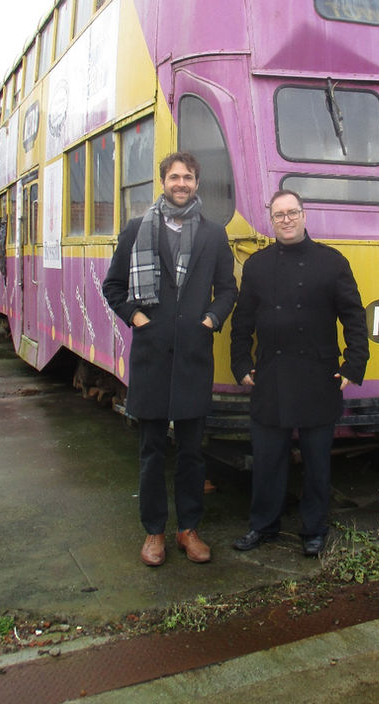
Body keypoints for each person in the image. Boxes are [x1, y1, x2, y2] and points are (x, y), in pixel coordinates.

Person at [103, 152, 237, 567]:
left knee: (193, 453)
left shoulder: (214, 234)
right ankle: (154, 533)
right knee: (152, 452)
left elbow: (228, 289)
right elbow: (113, 287)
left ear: (197, 183)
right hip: (152, 358)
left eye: (189, 177)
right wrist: (137, 318)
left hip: (194, 357)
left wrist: (211, 320)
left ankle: (188, 530)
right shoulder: (135, 229)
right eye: (175, 176)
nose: (182, 183)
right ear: (163, 181)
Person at [231, 190, 368, 557]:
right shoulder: (257, 266)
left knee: (317, 462)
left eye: (292, 213)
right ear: (271, 221)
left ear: (304, 216)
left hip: (318, 376)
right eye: (279, 215)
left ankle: (314, 529)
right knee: (267, 460)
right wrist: (241, 364)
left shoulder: (332, 261)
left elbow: (354, 317)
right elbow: (242, 321)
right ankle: (263, 526)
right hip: (270, 376)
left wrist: (354, 365)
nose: (287, 220)